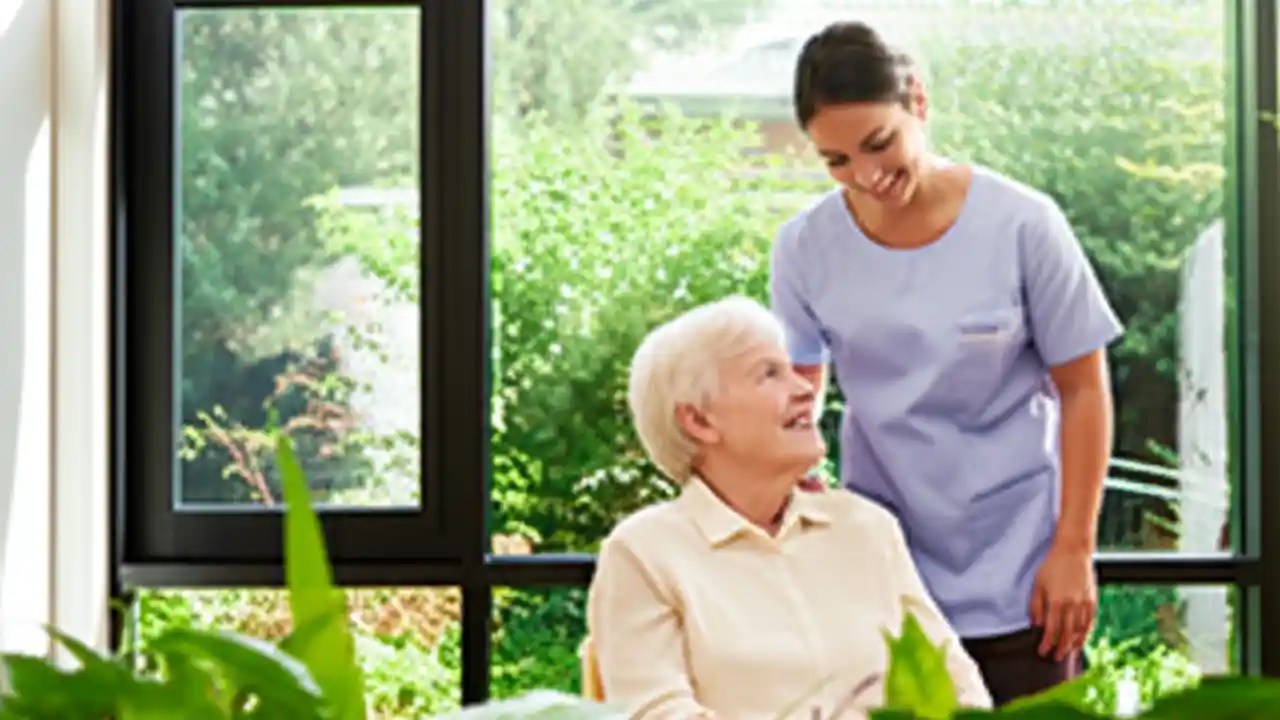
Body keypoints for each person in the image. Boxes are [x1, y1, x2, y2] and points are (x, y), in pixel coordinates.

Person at [769, 20, 1124, 706]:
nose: (867, 178)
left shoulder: (1023, 224)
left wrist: (1075, 547)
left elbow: (1084, 390)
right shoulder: (804, 247)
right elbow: (797, 394)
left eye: (880, 144)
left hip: (1024, 569)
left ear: (919, 104)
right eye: (836, 161)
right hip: (879, 569)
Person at [586, 296, 992, 719]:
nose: (804, 390)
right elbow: (657, 713)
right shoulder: (643, 553)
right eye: (769, 375)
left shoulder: (868, 528)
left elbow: (955, 684)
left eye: (793, 370)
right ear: (699, 421)